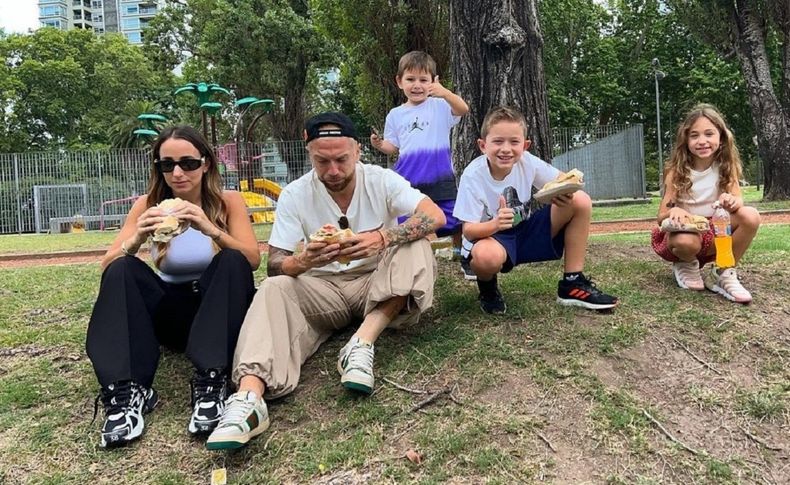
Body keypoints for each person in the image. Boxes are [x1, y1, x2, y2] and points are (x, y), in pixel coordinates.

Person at [205, 112, 445, 450]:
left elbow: (434, 215)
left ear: (358, 151)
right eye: (322, 161)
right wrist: (301, 260)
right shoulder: (295, 194)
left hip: (375, 283)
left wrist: (382, 237)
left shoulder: (381, 179)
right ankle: (249, 398)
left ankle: (361, 344)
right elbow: (274, 264)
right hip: (322, 289)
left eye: (341, 159)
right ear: (310, 156)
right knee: (274, 289)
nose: (333, 170)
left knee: (416, 243)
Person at [86, 125, 260, 448]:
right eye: (167, 165)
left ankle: (212, 384)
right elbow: (107, 266)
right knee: (122, 268)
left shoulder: (229, 201)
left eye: (188, 163)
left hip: (216, 310)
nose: (178, 173)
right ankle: (126, 394)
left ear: (206, 163)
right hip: (170, 312)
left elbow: (252, 259)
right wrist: (138, 237)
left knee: (232, 261)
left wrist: (209, 228)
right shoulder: (148, 205)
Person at [453, 106, 619, 314]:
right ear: (483, 145)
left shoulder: (526, 161)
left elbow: (563, 179)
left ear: (525, 145)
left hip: (524, 230)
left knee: (580, 200)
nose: (506, 149)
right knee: (487, 257)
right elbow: (468, 231)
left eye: (514, 142)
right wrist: (495, 223)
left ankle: (572, 282)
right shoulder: (473, 175)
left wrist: (564, 190)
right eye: (498, 141)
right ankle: (488, 288)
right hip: (491, 236)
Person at [370, 51, 473, 279]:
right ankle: (419, 263)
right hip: (409, 179)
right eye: (411, 79)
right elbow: (393, 147)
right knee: (412, 223)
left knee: (457, 217)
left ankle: (463, 254)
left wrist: (445, 93)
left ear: (433, 81)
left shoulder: (440, 106)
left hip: (440, 175)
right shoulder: (395, 115)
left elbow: (463, 109)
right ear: (399, 82)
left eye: (423, 80)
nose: (417, 85)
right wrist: (379, 145)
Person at [652, 103, 760, 303]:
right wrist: (675, 210)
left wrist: (731, 201)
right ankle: (685, 262)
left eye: (709, 134)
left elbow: (738, 200)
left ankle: (722, 271)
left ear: (721, 137)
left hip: (716, 230)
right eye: (695, 135)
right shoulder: (676, 171)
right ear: (685, 140)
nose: (702, 141)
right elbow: (661, 216)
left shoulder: (726, 167)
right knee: (686, 241)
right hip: (684, 233)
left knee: (750, 215)